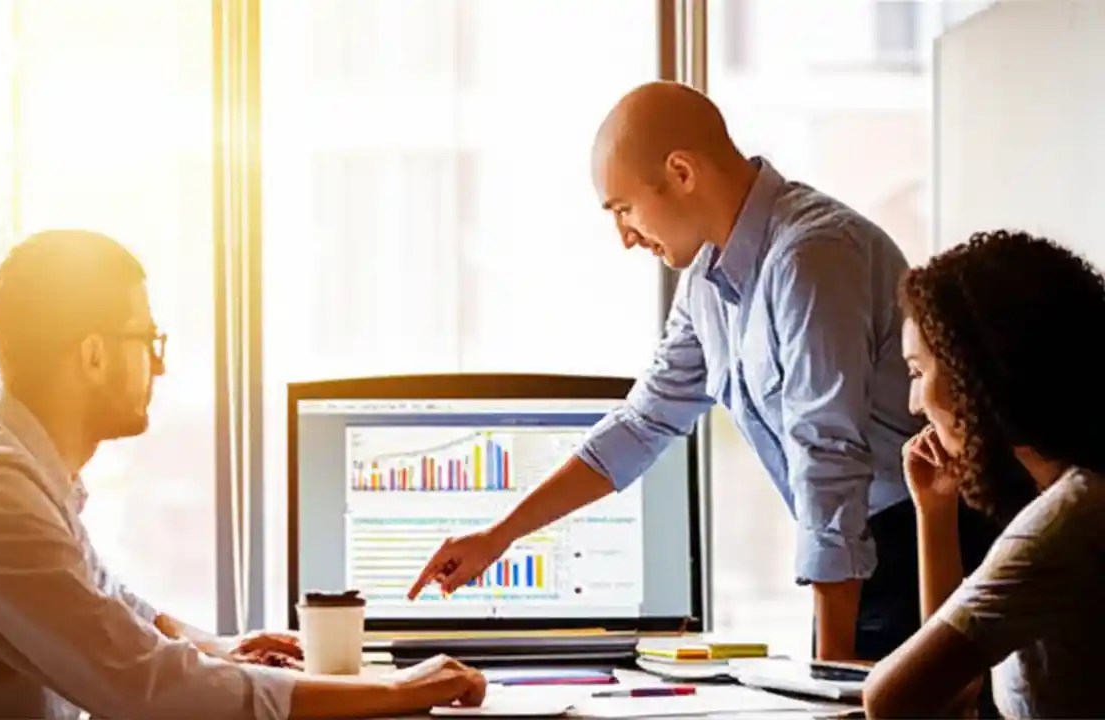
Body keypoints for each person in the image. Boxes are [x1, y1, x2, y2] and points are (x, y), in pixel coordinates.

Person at [408, 81, 995, 662]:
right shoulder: (705, 286)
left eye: (624, 209)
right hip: (861, 559)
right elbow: (642, 424)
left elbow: (828, 458)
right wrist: (498, 537)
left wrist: (829, 667)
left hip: (924, 540)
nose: (625, 237)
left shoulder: (811, 255)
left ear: (682, 172)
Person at [0, 230, 485, 719]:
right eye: (147, 340)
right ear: (92, 355)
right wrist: (394, 690)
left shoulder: (16, 470)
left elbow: (111, 606)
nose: (159, 366)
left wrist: (222, 647)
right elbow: (144, 687)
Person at [863, 230, 1105, 719]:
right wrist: (935, 514)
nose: (914, 405)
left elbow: (891, 701)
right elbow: (951, 692)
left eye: (917, 373)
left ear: (974, 373)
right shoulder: (1078, 495)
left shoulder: (1066, 521)